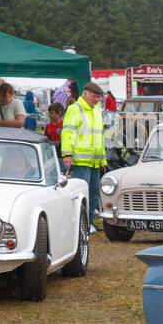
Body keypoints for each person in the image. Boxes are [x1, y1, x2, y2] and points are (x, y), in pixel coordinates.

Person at [61, 82, 107, 232]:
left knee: (93, 193)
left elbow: (99, 137)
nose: (97, 100)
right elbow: (68, 133)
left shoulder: (96, 110)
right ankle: (81, 225)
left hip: (94, 161)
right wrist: (67, 154)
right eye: (94, 96)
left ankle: (90, 223)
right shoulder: (75, 109)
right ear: (85, 94)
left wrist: (102, 160)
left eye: (98, 97)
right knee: (82, 195)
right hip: (81, 161)